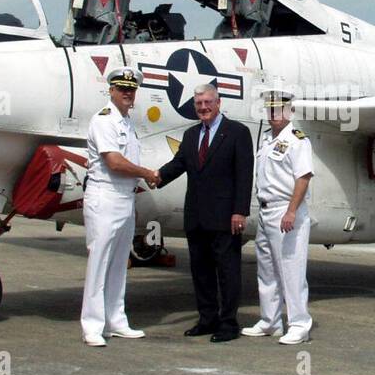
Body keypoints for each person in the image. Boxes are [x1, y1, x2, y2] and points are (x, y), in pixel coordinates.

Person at [156, 84, 253, 342]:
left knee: (228, 272)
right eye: (199, 104)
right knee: (201, 272)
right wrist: (154, 176)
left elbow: (244, 175)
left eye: (208, 102)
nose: (203, 108)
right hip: (196, 216)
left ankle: (229, 323)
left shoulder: (237, 132)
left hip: (225, 217)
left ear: (218, 103)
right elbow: (178, 165)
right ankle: (207, 319)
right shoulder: (190, 135)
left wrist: (240, 211)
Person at [80, 67, 159, 347]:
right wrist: (148, 173)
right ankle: (92, 325)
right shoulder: (105, 120)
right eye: (122, 88)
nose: (127, 93)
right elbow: (114, 162)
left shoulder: (126, 122)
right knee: (99, 262)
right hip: (105, 196)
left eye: (131, 89)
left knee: (118, 265)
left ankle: (116, 320)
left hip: (124, 198)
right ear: (111, 90)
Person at [244, 92, 314, 344]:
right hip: (265, 209)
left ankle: (299, 324)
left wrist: (292, 211)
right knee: (267, 269)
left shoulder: (298, 140)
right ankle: (269, 321)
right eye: (270, 109)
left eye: (279, 109)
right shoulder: (266, 139)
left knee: (291, 269)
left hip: (286, 210)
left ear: (290, 111)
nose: (274, 114)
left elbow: (303, 177)